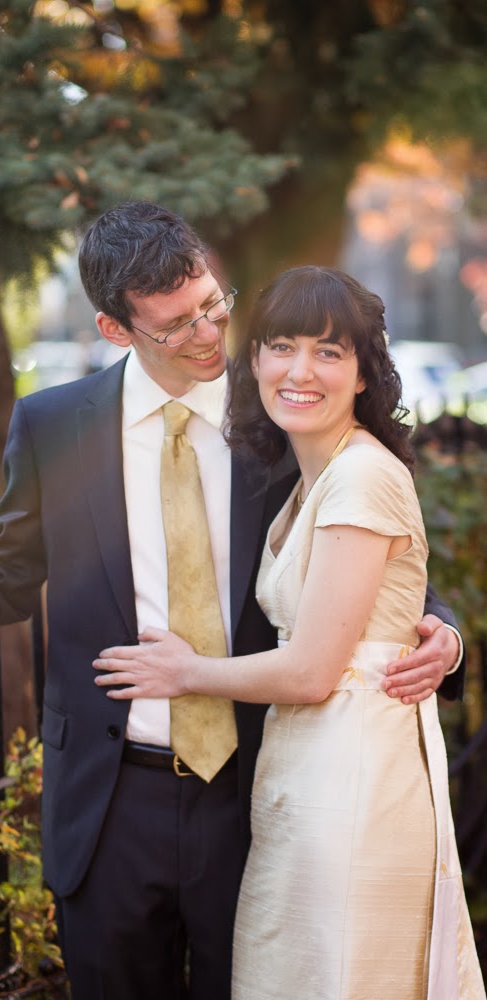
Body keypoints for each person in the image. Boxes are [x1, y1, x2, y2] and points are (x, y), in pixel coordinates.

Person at [0, 208, 465, 1000]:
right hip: (110, 804)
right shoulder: (55, 425)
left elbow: (358, 540)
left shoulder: (278, 411)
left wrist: (439, 629)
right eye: (176, 325)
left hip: (256, 793)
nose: (209, 334)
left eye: (213, 304)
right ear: (114, 327)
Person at [93, 265, 485, 999]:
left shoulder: (358, 474)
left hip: (354, 783)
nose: (299, 371)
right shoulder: (296, 468)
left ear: (365, 373)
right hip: (297, 780)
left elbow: (313, 667)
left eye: (329, 352)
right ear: (256, 358)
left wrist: (186, 672)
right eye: (280, 346)